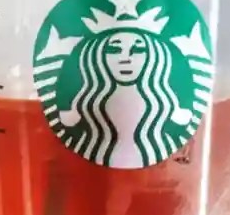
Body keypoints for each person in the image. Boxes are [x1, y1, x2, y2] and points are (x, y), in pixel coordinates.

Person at [59, 28, 193, 168]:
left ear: (152, 58)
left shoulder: (167, 110)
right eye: (115, 50)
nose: (125, 58)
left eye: (137, 50)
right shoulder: (84, 108)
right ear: (99, 58)